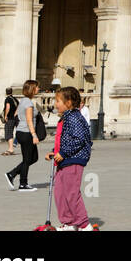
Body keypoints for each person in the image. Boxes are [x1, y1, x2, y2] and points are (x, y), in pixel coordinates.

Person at [45, 86, 93, 230]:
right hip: (64, 159)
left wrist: (63, 153)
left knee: (71, 193)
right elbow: (64, 139)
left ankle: (84, 224)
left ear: (69, 102)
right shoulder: (66, 118)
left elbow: (79, 139)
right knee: (60, 192)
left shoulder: (74, 117)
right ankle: (68, 223)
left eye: (58, 101)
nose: (55, 104)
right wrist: (55, 152)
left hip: (74, 159)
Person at [5, 80, 41, 192]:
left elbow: (16, 115)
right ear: (32, 89)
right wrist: (34, 135)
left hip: (21, 132)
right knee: (27, 159)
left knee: (33, 158)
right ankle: (23, 184)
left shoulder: (23, 101)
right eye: (37, 87)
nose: (39, 89)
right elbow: (29, 120)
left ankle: (12, 174)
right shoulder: (29, 103)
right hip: (26, 133)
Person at [1, 88, 18, 156]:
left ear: (6, 92)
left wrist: (5, 116)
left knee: (8, 132)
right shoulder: (15, 99)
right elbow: (18, 107)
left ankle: (11, 149)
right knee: (11, 132)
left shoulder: (8, 99)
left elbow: (8, 107)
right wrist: (15, 114)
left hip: (10, 118)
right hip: (15, 118)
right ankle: (11, 148)